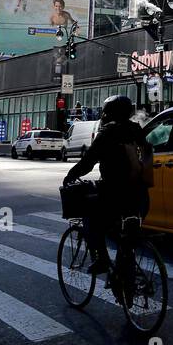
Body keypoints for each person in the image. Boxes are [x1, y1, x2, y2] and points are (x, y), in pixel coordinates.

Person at [62, 94, 153, 276]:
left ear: (109, 113)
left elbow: (88, 162)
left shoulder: (108, 133)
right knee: (126, 235)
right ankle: (126, 271)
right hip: (141, 196)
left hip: (115, 195)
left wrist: (71, 175)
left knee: (91, 219)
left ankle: (102, 260)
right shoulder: (137, 130)